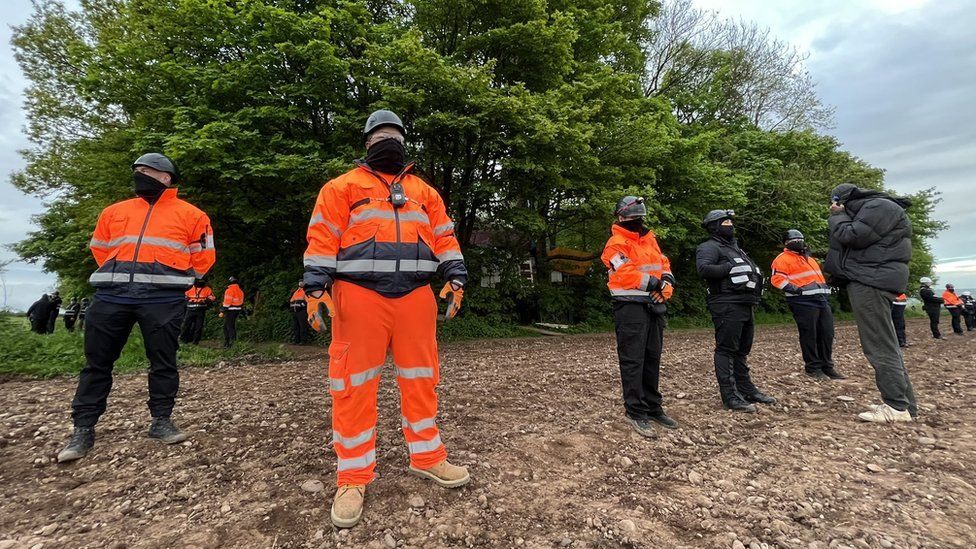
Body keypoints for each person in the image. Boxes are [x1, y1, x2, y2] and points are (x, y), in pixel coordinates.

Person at [303, 109, 469, 528]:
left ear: (404, 142)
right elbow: (322, 237)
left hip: (416, 296)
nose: (388, 140)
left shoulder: (425, 193)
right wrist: (315, 287)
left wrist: (456, 276)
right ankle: (353, 476)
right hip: (358, 297)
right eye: (381, 135)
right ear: (367, 143)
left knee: (422, 378)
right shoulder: (340, 188)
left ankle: (428, 456)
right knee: (353, 385)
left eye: (395, 134)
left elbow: (445, 237)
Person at [56, 153, 216, 463]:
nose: (139, 175)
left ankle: (161, 421)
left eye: (146, 171)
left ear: (166, 177)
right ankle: (83, 428)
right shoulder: (114, 212)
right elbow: (99, 248)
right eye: (138, 171)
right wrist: (119, 274)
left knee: (163, 361)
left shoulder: (193, 215)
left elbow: (204, 257)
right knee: (96, 363)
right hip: (112, 295)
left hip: (163, 298)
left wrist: (175, 280)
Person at [823, 183, 916, 423]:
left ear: (841, 200)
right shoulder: (877, 207)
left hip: (870, 281)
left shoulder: (877, 207)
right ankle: (905, 406)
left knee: (878, 345)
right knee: (887, 343)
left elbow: (851, 235)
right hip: (872, 278)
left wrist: (838, 215)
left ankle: (896, 406)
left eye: (834, 202)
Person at [601, 195, 678, 438]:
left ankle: (653, 407)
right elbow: (625, 274)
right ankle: (635, 411)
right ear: (620, 217)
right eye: (631, 215)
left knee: (652, 358)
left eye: (638, 215)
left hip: (654, 305)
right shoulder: (615, 243)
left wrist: (666, 287)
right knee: (633, 360)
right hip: (630, 307)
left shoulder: (650, 239)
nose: (635, 219)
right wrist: (657, 284)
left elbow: (664, 264)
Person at [695, 209, 775, 413]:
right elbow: (703, 269)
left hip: (746, 303)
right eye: (725, 221)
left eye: (731, 221)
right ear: (714, 226)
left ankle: (746, 389)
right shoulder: (709, 247)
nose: (729, 224)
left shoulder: (736, 248)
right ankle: (730, 396)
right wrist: (728, 268)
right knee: (726, 350)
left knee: (742, 350)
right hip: (726, 302)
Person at [770, 229, 844, 380]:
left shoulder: (809, 259)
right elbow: (776, 279)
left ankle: (827, 366)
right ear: (786, 243)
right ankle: (813, 367)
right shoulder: (782, 259)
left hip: (821, 300)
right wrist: (795, 290)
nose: (798, 242)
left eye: (800, 239)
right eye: (794, 240)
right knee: (809, 335)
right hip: (802, 301)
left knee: (827, 334)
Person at [181, 279, 216, 344]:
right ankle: (183, 340)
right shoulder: (190, 287)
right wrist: (187, 299)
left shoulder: (207, 289)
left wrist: (206, 300)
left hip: (200, 310)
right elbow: (184, 296)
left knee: (198, 327)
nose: (200, 283)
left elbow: (213, 298)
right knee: (186, 325)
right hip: (190, 309)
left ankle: (195, 342)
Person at [220, 277, 245, 348]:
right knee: (228, 326)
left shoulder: (229, 290)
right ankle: (228, 343)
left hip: (230, 310)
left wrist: (222, 310)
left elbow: (227, 302)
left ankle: (231, 343)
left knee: (229, 327)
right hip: (237, 309)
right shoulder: (240, 290)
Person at [288, 280, 310, 345]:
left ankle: (303, 341)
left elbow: (308, 301)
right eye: (300, 282)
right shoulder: (295, 292)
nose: (300, 283)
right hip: (295, 312)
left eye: (302, 281)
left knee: (302, 326)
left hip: (302, 311)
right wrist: (292, 307)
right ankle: (296, 340)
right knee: (296, 327)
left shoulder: (306, 291)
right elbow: (291, 300)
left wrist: (302, 305)